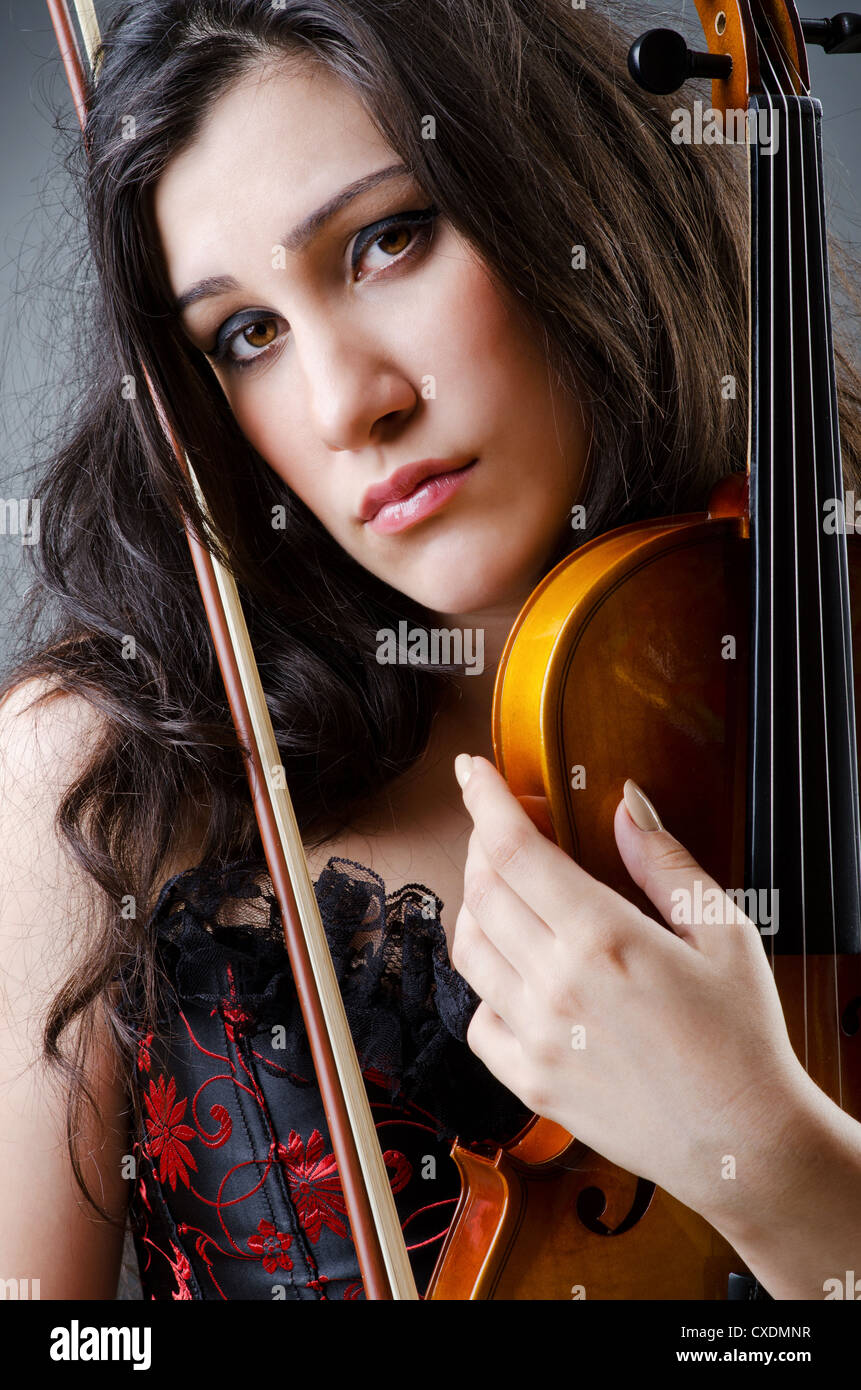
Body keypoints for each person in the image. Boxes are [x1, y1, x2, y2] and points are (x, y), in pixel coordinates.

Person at [1, 0, 859, 1301]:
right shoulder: (116, 776)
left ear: (570, 196)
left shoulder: (829, 634)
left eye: (388, 240)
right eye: (247, 334)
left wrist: (771, 1154)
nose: (348, 401)